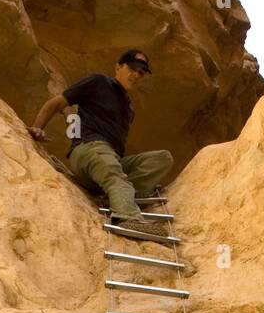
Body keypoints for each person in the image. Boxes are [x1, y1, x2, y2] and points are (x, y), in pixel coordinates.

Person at [27, 49, 173, 240]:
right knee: (112, 169)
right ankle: (127, 217)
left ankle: (114, 196)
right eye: (133, 68)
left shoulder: (129, 109)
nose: (136, 75)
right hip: (89, 149)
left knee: (162, 158)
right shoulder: (98, 82)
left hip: (109, 159)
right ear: (118, 67)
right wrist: (38, 128)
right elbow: (57, 103)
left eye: (141, 73)